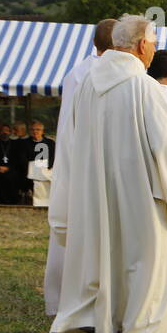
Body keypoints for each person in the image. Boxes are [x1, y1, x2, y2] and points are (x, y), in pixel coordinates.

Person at [49, 14, 167, 333]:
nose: (154, 49)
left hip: (96, 189)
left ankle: (103, 319)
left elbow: (74, 136)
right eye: (152, 42)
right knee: (147, 258)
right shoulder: (145, 88)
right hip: (140, 192)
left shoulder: (88, 83)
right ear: (140, 45)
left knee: (105, 251)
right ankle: (142, 328)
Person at [43, 18, 116, 314]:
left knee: (69, 224)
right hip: (93, 158)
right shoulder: (107, 74)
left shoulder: (75, 72)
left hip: (71, 156)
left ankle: (60, 295)